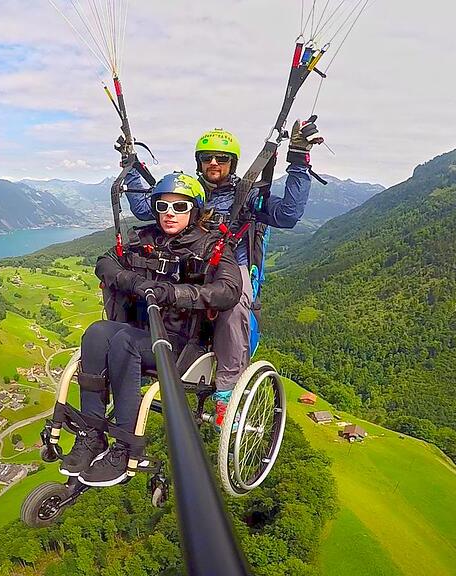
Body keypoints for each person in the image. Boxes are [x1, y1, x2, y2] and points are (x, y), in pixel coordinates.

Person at [125, 119, 322, 428]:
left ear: (232, 163)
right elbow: (144, 209)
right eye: (207, 158)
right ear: (199, 162)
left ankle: (226, 390)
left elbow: (287, 215)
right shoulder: (187, 193)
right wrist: (131, 167)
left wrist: (298, 158)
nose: (214, 163)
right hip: (189, 265)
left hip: (231, 268)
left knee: (235, 297)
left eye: (222, 158)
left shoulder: (247, 196)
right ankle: (136, 356)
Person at [60, 172, 242, 487]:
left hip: (182, 344)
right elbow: (106, 263)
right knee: (95, 333)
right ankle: (92, 435)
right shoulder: (144, 239)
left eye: (180, 207)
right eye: (163, 206)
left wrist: (177, 293)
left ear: (195, 210)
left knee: (124, 342)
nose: (170, 214)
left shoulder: (213, 247)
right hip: (140, 333)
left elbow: (228, 290)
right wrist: (136, 282)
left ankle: (125, 446)